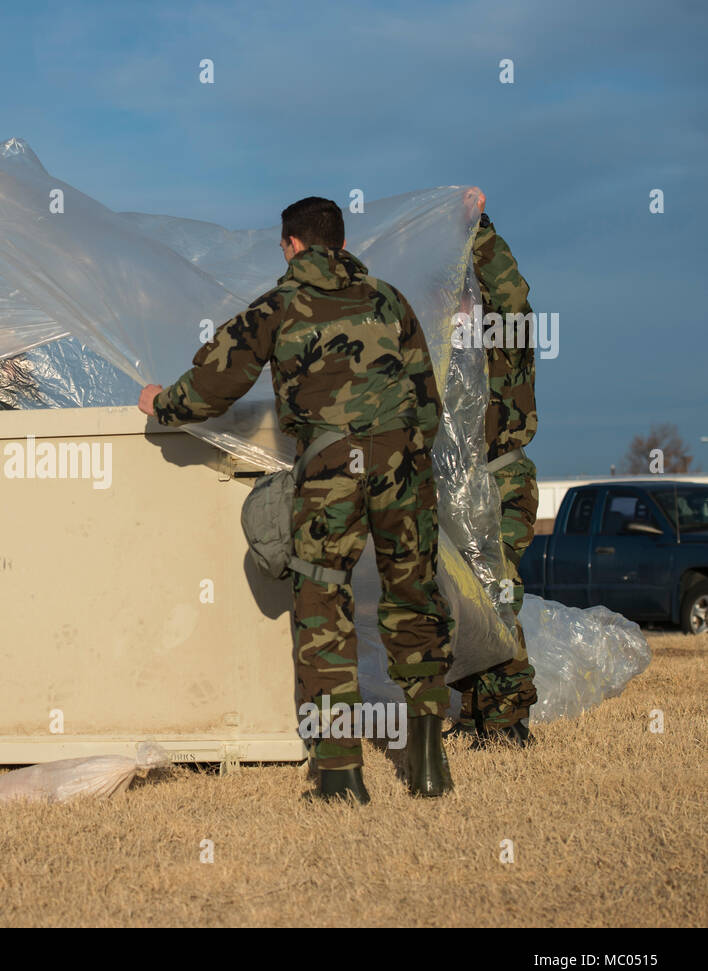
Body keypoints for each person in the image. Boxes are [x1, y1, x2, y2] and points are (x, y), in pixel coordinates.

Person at [138, 197, 454, 802]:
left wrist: (162, 403)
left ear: (291, 245)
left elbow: (213, 384)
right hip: (406, 465)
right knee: (414, 598)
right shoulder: (389, 300)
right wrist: (405, 456)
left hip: (332, 469)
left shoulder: (279, 307)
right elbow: (426, 399)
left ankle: (338, 773)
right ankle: (428, 761)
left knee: (322, 605)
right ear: (340, 240)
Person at [450, 190, 539, 747]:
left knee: (496, 593)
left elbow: (510, 291)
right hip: (458, 486)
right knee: (465, 597)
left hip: (500, 480)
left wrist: (476, 228)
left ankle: (508, 721)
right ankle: (478, 710)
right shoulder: (443, 358)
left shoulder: (506, 342)